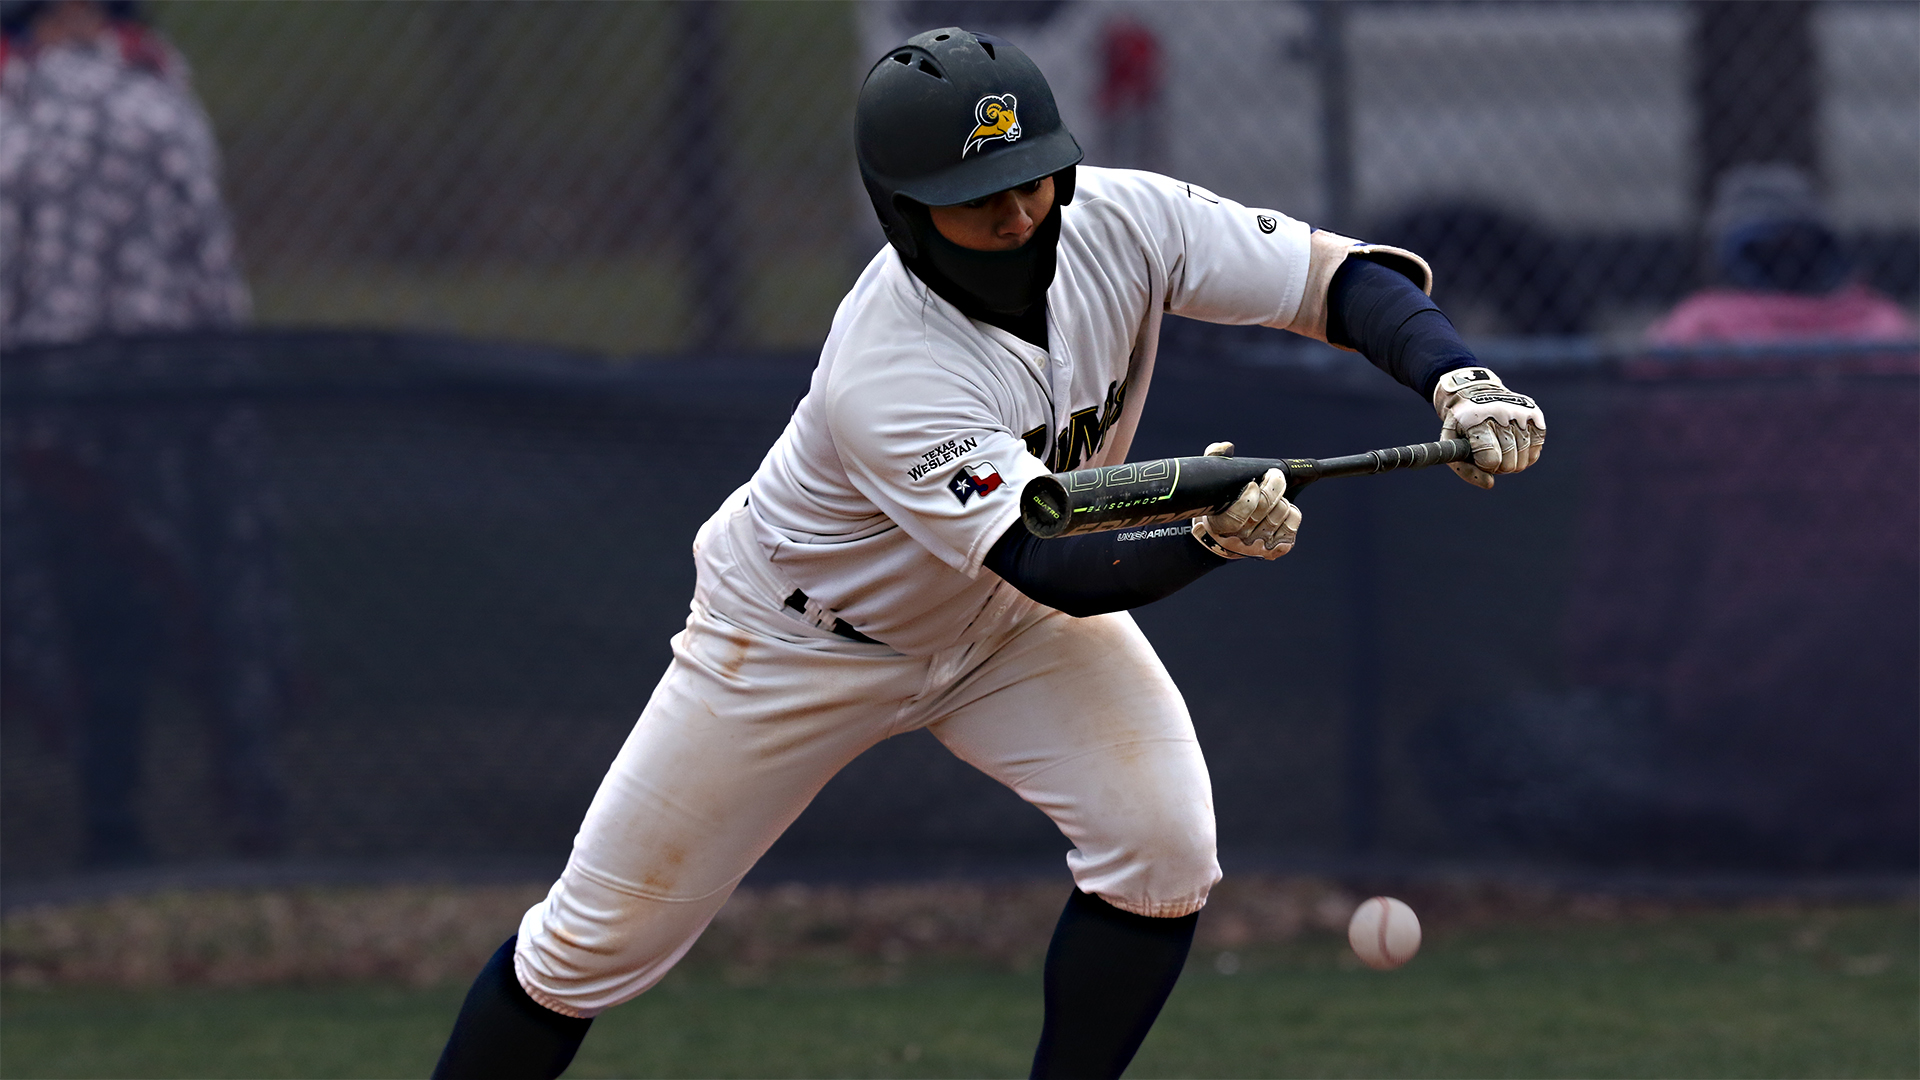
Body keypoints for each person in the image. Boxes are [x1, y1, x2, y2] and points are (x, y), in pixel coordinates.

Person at [432, 29, 1544, 1079]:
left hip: (1007, 630)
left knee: (1161, 856)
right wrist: (1207, 538)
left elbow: (1338, 283)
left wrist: (1459, 378)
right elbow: (1049, 561)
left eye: (1033, 176)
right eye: (977, 198)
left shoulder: (1121, 218)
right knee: (584, 951)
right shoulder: (891, 365)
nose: (1019, 213)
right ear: (907, 212)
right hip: (796, 641)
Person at [0, 0, 292, 866]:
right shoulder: (91, 96)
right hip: (92, 401)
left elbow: (200, 250)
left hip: (105, 395)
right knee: (93, 607)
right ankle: (102, 818)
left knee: (122, 604)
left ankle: (132, 817)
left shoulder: (134, 86)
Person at [1647, 163, 1917, 346]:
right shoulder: (1705, 325)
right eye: (1767, 247)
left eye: (1798, 245)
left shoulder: (1873, 322)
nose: (1785, 258)